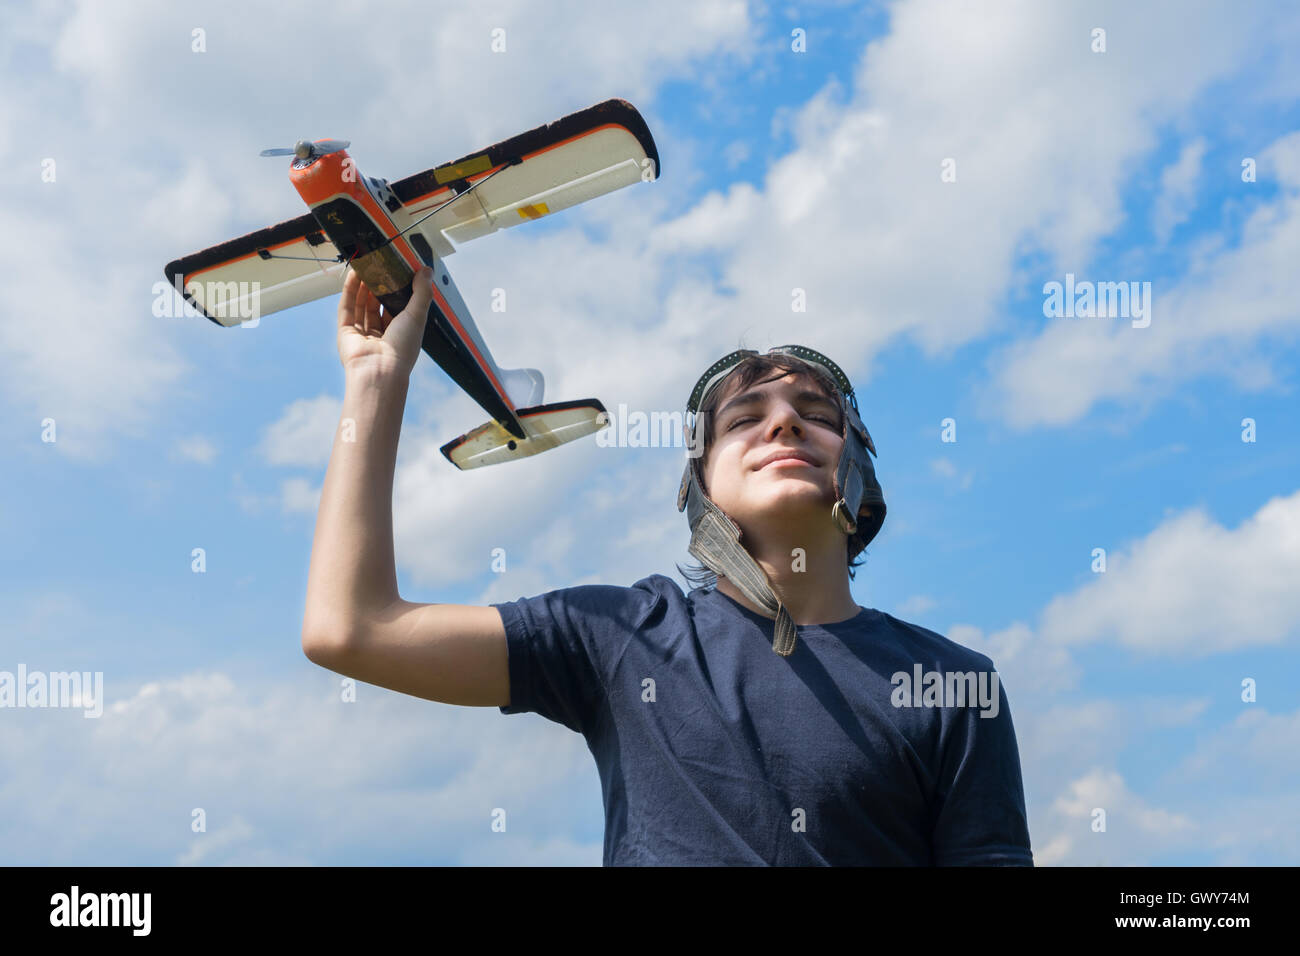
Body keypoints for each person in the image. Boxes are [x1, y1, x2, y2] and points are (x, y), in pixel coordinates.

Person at [302, 266, 1034, 866]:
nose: (784, 421)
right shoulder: (620, 636)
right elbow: (350, 629)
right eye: (745, 419)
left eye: (816, 412)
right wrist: (375, 378)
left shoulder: (953, 684)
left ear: (859, 473)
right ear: (699, 488)